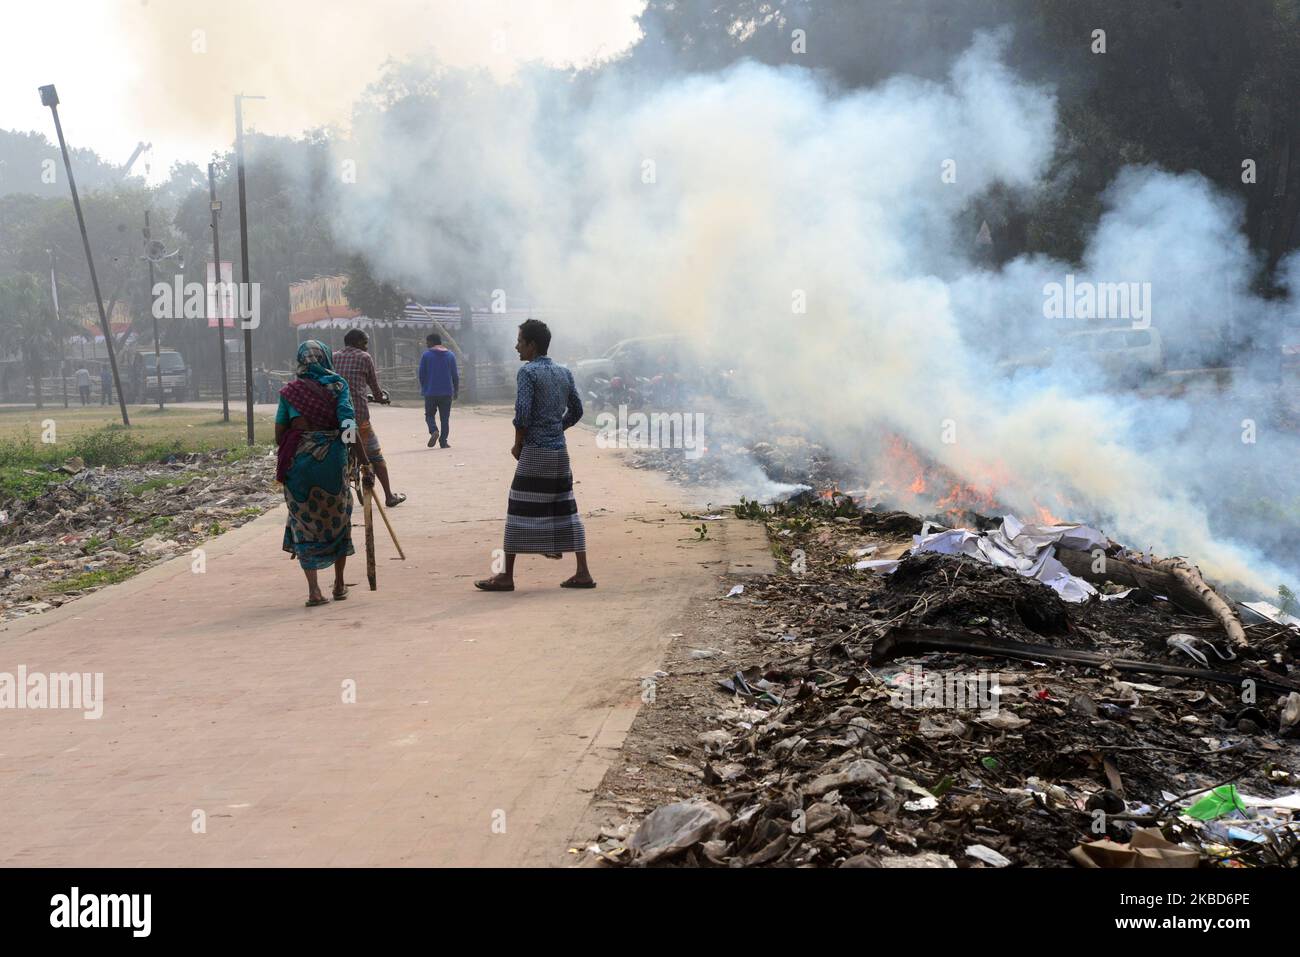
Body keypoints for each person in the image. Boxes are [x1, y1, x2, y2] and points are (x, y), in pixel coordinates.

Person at [475, 319, 595, 591]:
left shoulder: (527, 372)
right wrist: (557, 428)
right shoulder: (564, 372)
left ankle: (505, 576)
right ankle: (583, 572)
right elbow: (577, 410)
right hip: (560, 453)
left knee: (518, 509)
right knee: (567, 509)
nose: (516, 346)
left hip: (536, 451)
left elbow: (523, 413)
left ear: (532, 345)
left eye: (520, 341)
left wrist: (518, 444)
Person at [276, 340, 367, 606]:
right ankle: (339, 584)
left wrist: (303, 433)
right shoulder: (337, 386)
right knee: (339, 519)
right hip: (332, 463)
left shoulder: (290, 392)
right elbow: (348, 426)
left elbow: (279, 435)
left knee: (302, 522)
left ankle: (314, 591)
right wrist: (363, 460)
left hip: (298, 465)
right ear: (326, 358)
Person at [333, 330, 405, 509]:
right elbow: (374, 385)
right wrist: (381, 398)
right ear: (357, 342)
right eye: (365, 342)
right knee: (375, 455)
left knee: (340, 450)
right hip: (357, 416)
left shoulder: (334, 357)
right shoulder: (364, 357)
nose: (366, 346)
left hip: (336, 418)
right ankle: (389, 496)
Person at [417, 333, 458, 448]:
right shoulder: (450, 355)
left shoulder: (426, 355)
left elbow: (421, 374)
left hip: (431, 392)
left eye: (427, 341)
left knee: (429, 415)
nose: (426, 344)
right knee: (445, 418)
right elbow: (455, 375)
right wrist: (456, 390)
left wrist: (424, 387)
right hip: (447, 392)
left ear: (432, 342)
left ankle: (434, 430)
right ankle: (443, 441)